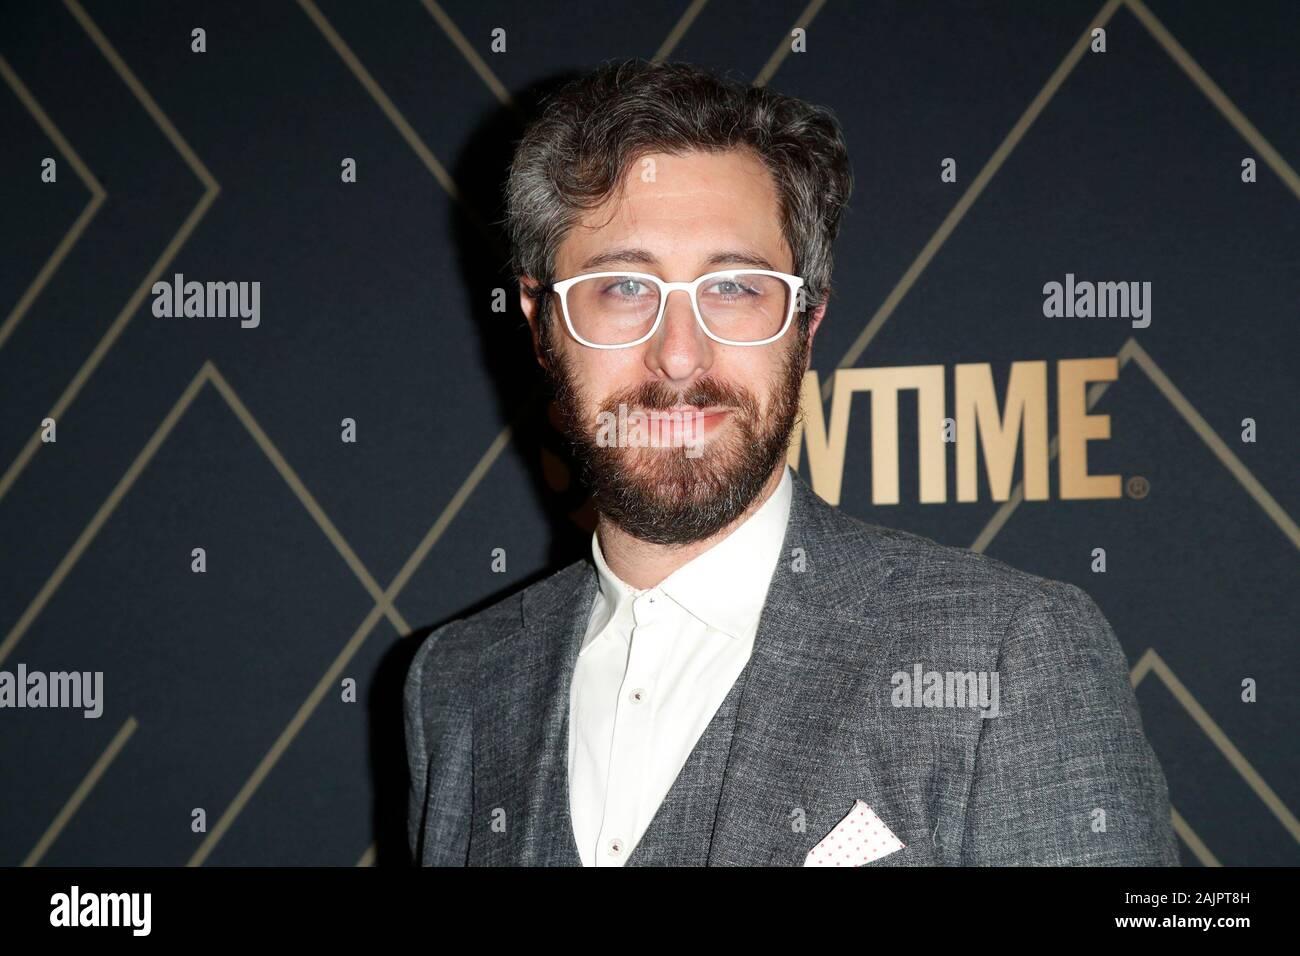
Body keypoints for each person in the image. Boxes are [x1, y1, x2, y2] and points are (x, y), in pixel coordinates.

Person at [404, 57, 1178, 866]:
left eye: (735, 288)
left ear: (805, 325)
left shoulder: (1008, 657)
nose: (677, 356)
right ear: (541, 324)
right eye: (624, 288)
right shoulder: (456, 686)